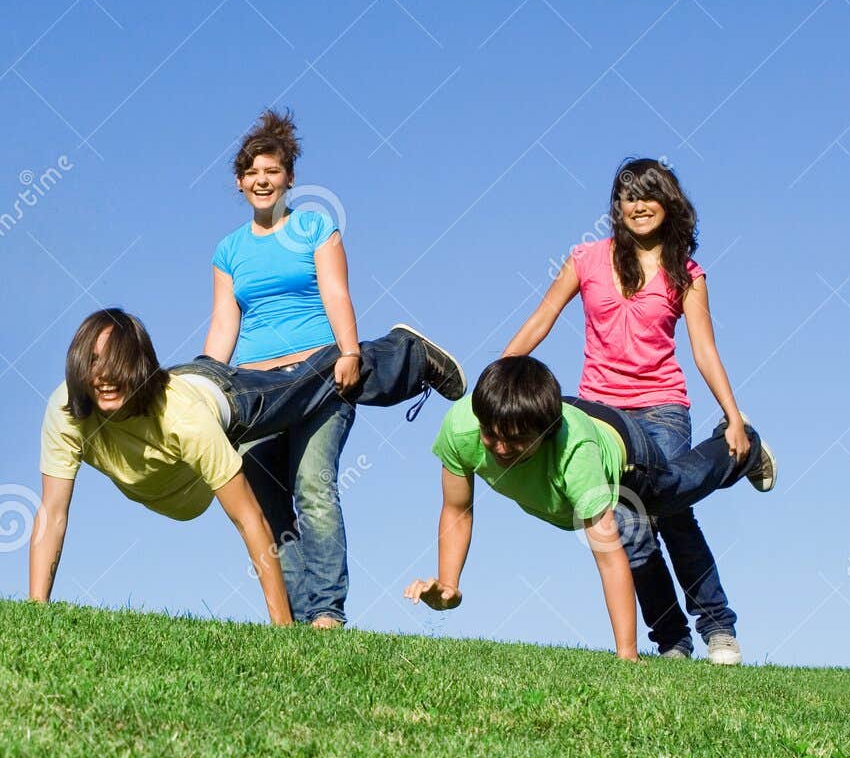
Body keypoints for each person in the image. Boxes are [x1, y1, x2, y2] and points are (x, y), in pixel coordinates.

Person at [30, 308, 464, 624]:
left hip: (231, 400)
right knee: (299, 412)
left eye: (116, 364)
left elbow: (247, 519)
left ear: (138, 366)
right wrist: (36, 610)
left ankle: (407, 355)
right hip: (188, 385)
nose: (104, 376)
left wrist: (280, 631)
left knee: (312, 381)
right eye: (92, 364)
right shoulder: (68, 411)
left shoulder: (182, 418)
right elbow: (53, 513)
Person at [501, 158, 769, 664]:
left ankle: (718, 626)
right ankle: (671, 639)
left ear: (668, 204)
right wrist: (501, 374)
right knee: (629, 524)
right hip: (597, 412)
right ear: (616, 208)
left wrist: (732, 415)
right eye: (627, 197)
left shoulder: (686, 275)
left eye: (647, 195)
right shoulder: (586, 259)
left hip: (662, 409)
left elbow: (704, 350)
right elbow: (542, 319)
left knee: (669, 510)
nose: (637, 205)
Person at [406, 355, 773, 662]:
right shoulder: (462, 426)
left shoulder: (575, 456)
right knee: (643, 531)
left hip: (626, 452)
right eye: (492, 436)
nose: (500, 449)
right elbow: (457, 509)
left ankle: (742, 447)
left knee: (673, 491)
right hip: (569, 415)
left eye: (516, 442)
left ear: (545, 434)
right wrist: (449, 583)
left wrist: (626, 657)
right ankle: (674, 640)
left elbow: (609, 557)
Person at [203, 109, 361, 628]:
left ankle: (327, 612)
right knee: (265, 501)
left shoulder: (316, 227)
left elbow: (336, 292)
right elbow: (224, 324)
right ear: (239, 183)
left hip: (318, 375)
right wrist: (207, 385)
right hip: (257, 390)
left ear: (289, 177)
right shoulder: (230, 250)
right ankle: (292, 616)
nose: (262, 180)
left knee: (313, 485)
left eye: (272, 170)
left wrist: (351, 352)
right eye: (252, 173)